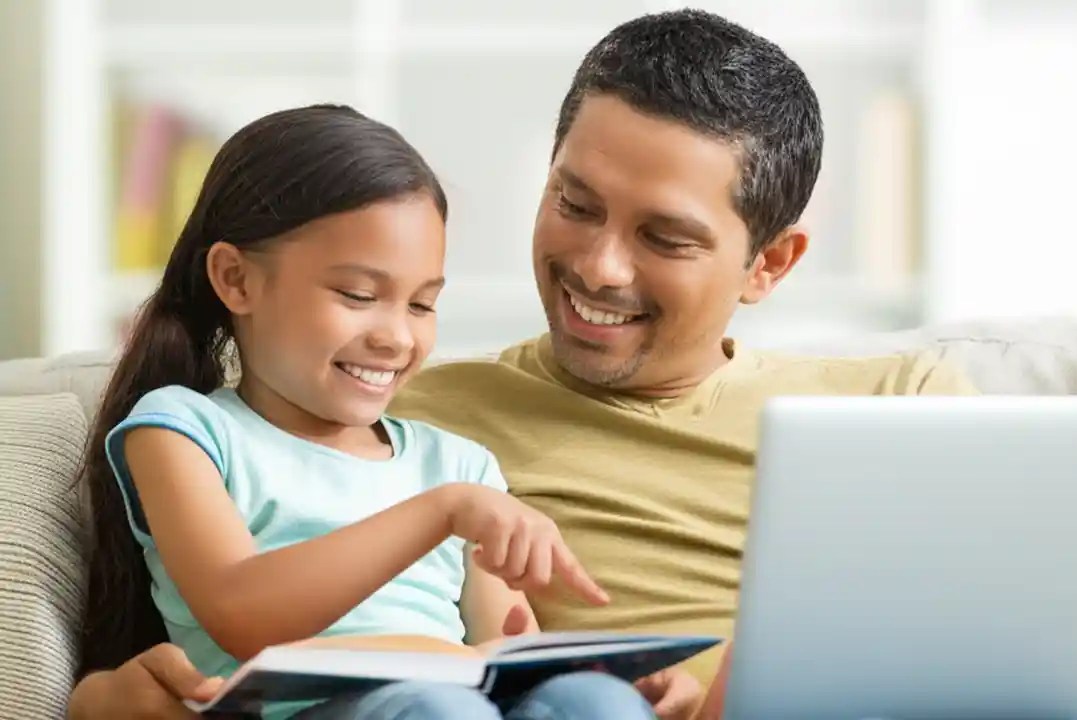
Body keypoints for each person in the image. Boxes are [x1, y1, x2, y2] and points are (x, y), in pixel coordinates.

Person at [68, 10, 1077, 720]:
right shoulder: (406, 414)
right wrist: (108, 692)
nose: (595, 267)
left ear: (769, 264)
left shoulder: (901, 403)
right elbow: (244, 573)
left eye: (662, 238)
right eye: (573, 204)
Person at [69, 104, 692, 720]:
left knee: (591, 701)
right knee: (439, 708)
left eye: (421, 305)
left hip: (452, 702)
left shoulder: (458, 465)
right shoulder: (184, 431)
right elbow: (244, 616)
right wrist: (440, 513)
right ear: (236, 279)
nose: (397, 337)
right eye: (359, 295)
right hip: (322, 711)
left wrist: (609, 671)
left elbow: (506, 650)